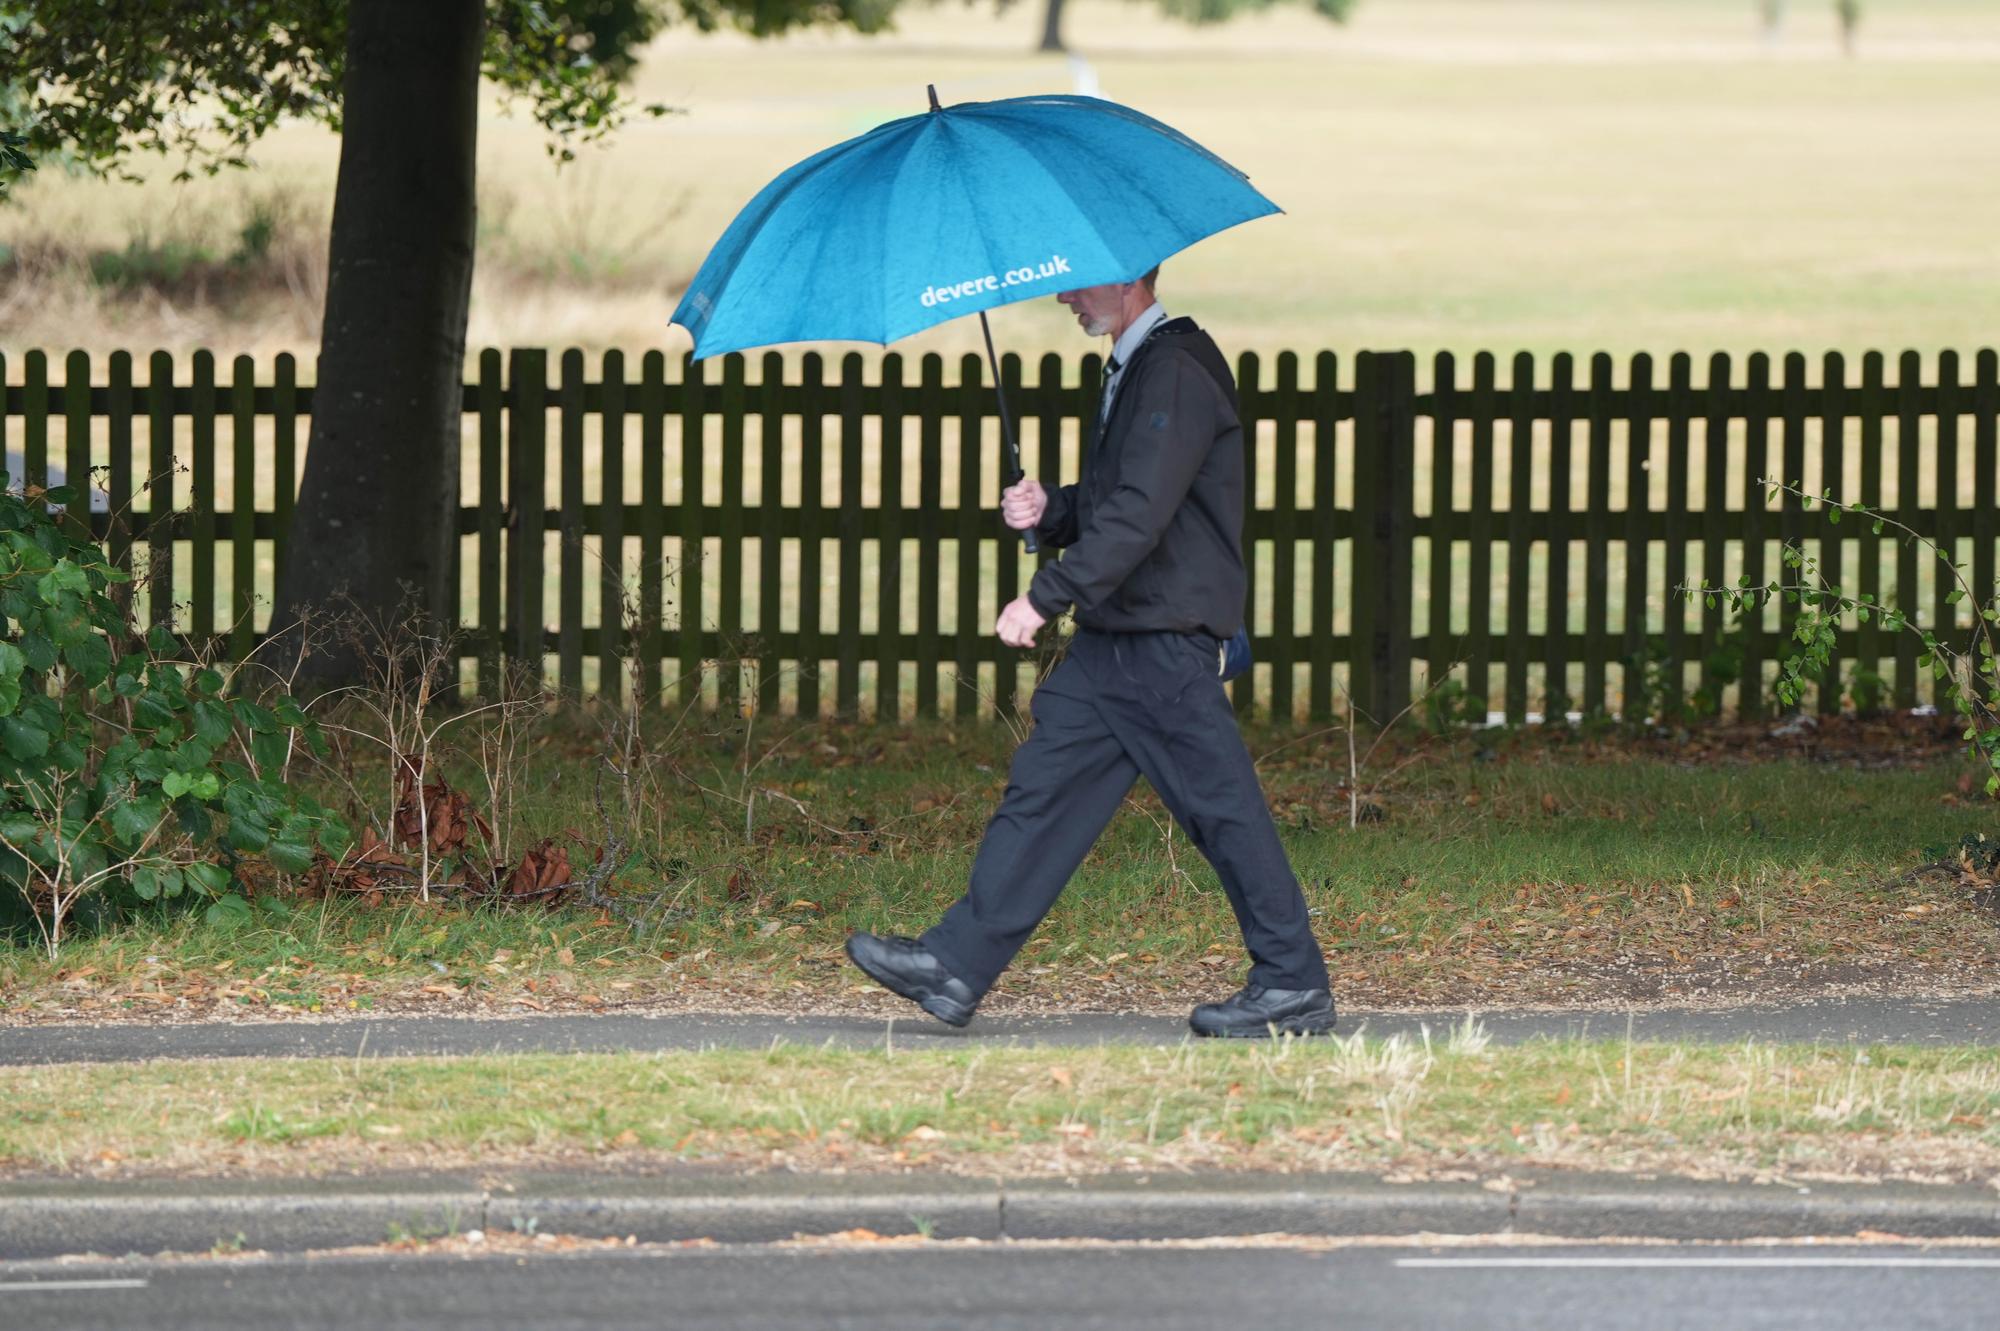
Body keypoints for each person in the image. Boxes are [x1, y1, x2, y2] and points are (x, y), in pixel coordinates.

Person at [844, 267, 1334, 1038]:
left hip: (1164, 641)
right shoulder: (1138, 365)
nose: (1065, 296)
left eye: (1079, 283)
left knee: (1223, 811)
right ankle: (956, 964)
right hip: (1118, 640)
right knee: (1041, 796)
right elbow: (1125, 497)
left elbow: (1142, 515)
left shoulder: (1175, 366)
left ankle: (1292, 982)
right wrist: (1056, 509)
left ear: (1131, 277)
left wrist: (1044, 596)